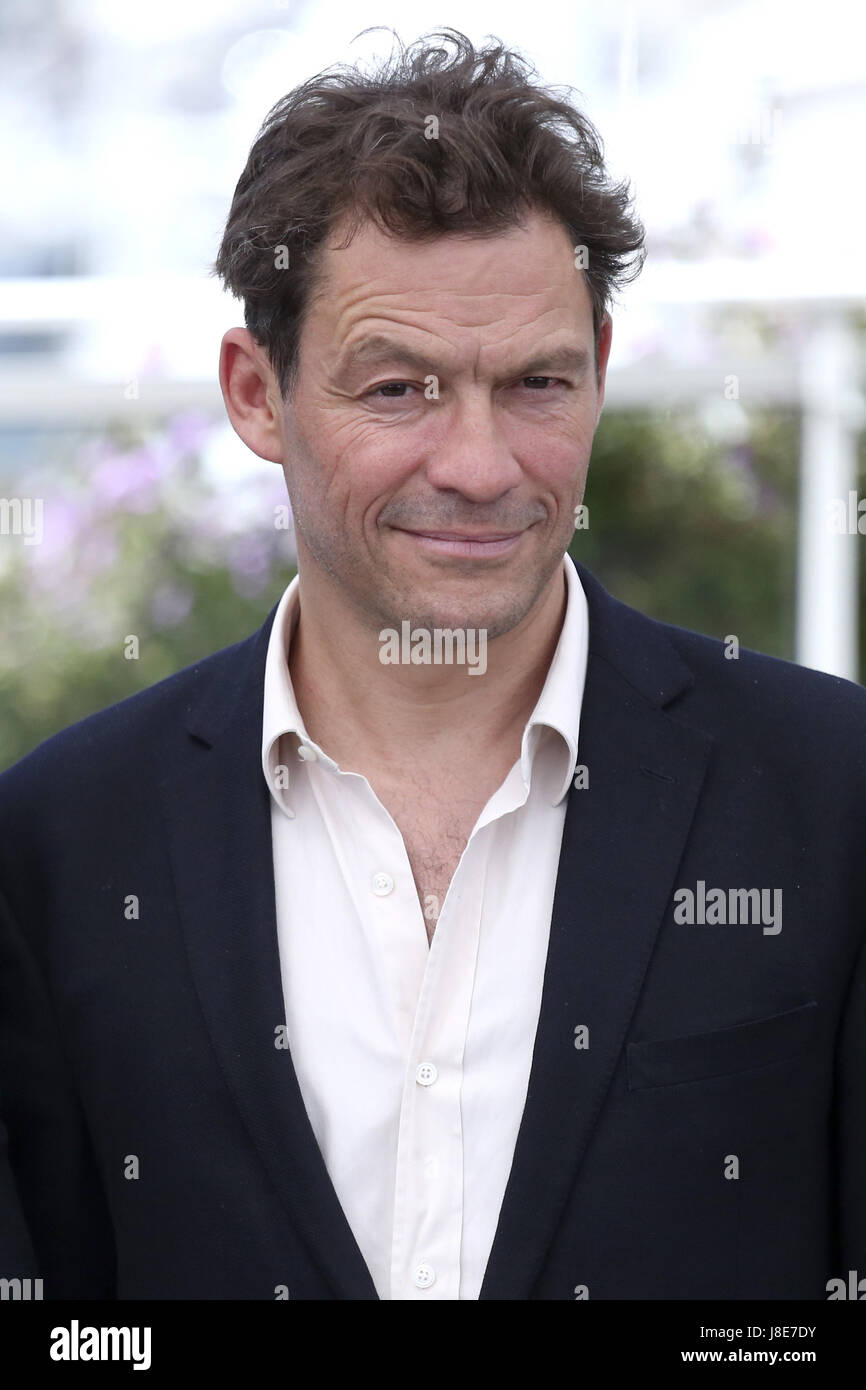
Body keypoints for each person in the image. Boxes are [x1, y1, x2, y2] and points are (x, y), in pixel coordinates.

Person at [0, 29, 863, 1302]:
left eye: (534, 383)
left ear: (601, 374)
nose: (478, 465)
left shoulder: (831, 794)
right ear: (256, 393)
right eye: (397, 388)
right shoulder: (59, 843)